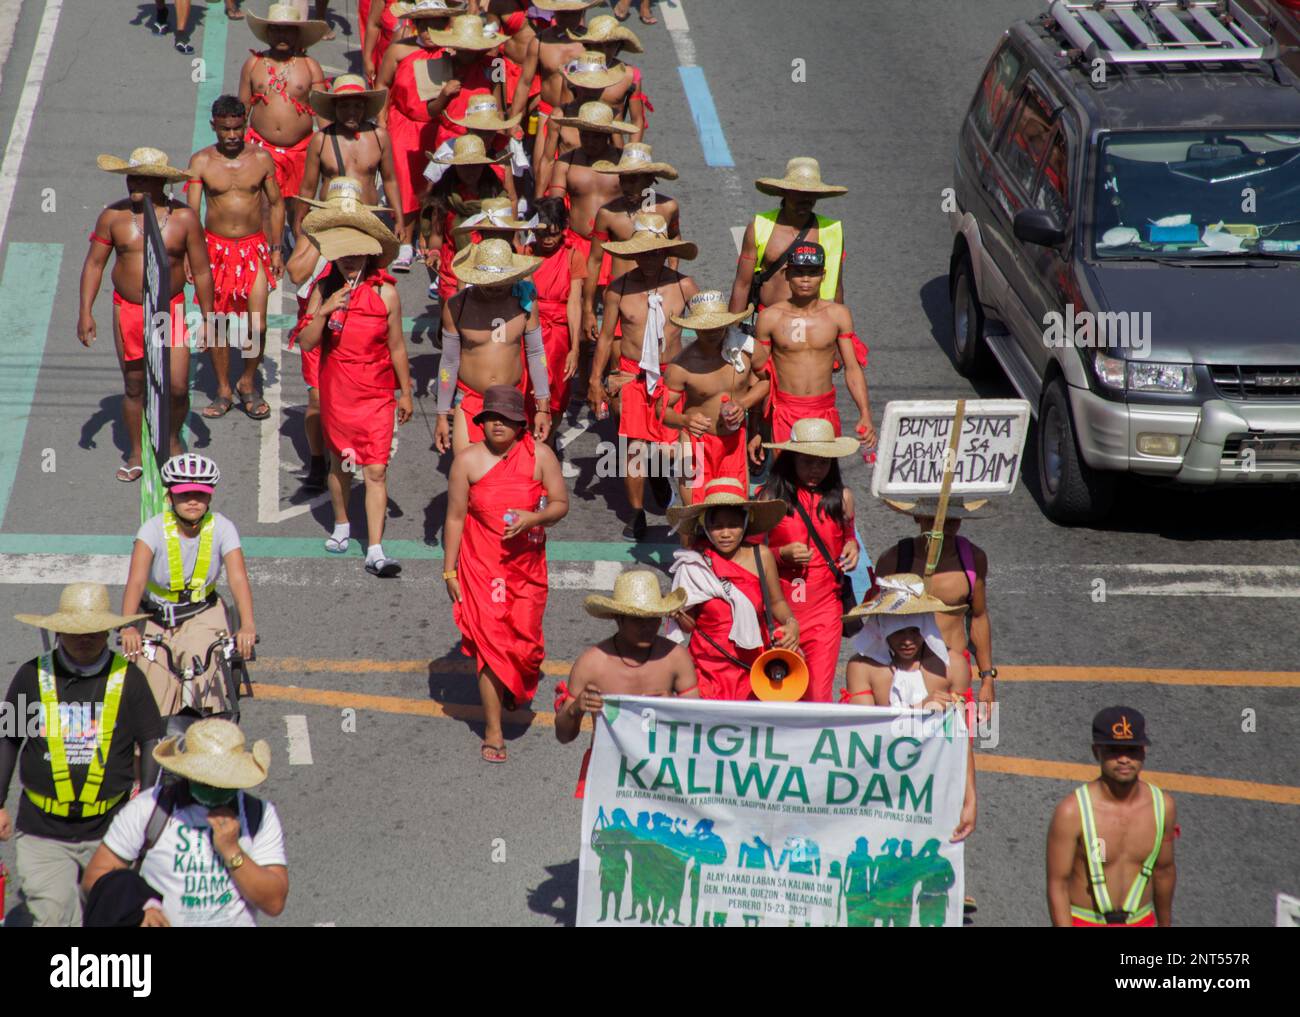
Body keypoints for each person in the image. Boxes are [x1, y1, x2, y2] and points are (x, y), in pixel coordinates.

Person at [0, 584, 162, 927]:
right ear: (59, 630)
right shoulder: (31, 676)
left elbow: (151, 741)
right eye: (76, 633)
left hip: (111, 832)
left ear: (107, 631)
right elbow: (8, 740)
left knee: (111, 919)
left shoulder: (130, 680)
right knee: (54, 914)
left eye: (93, 632)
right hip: (42, 829)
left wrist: (147, 806)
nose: (85, 639)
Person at [443, 385, 569, 762]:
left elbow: (561, 504)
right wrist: (449, 569)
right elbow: (454, 517)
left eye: (507, 419)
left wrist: (535, 516)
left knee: (527, 647)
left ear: (521, 423)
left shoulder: (541, 456)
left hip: (527, 566)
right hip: (482, 565)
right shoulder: (466, 461)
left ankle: (514, 680)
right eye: (491, 418)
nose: (498, 424)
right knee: (490, 644)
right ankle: (493, 730)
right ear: (481, 422)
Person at [293, 202, 413, 576]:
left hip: (377, 396)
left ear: (369, 253)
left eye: (355, 252)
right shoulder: (323, 288)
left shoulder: (386, 294)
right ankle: (342, 522)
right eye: (342, 252)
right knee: (342, 465)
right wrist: (325, 309)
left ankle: (375, 548)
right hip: (339, 392)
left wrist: (405, 392)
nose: (349, 259)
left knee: (376, 471)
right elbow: (308, 343)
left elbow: (396, 346)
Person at [79, 148, 214, 479]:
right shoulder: (113, 216)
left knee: (179, 387)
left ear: (161, 182)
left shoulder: (183, 219)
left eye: (142, 177)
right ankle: (136, 452)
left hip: (170, 310)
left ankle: (171, 439)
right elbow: (95, 264)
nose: (133, 183)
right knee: (135, 386)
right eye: (131, 176)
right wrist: (85, 312)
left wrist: (209, 320)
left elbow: (203, 270)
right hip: (129, 311)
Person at [83, 718, 288, 926]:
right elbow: (96, 877)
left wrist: (233, 851)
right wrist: (140, 908)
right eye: (207, 779)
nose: (215, 786)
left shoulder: (259, 814)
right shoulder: (149, 808)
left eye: (223, 780)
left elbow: (274, 902)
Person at [841, 574, 977, 845]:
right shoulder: (862, 668)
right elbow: (864, 734)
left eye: (914, 631)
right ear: (882, 630)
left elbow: (962, 740)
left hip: (932, 786)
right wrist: (919, 710)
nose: (907, 641)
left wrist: (970, 799)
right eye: (897, 632)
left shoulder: (954, 666)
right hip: (879, 785)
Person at [119, 454, 256, 720]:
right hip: (155, 616)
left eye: (200, 495)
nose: (193, 501)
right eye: (184, 495)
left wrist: (247, 625)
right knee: (149, 701)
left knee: (202, 677)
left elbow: (238, 579)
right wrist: (128, 626)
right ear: (170, 498)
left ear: (210, 497)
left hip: (202, 612)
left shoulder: (223, 528)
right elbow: (135, 581)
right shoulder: (151, 529)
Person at [588, 213, 698, 540]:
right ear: (632, 253)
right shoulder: (618, 290)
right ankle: (637, 514)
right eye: (643, 252)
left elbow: (709, 327)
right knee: (635, 448)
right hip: (633, 376)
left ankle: (686, 511)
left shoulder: (684, 285)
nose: (649, 260)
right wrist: (596, 381)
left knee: (681, 447)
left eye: (655, 252)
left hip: (672, 377)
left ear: (666, 252)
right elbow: (607, 337)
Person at [556, 570, 700, 795]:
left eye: (653, 619)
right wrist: (575, 709)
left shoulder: (675, 658)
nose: (647, 627)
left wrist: (673, 710)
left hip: (664, 772)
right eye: (637, 620)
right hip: (611, 771)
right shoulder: (591, 664)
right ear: (618, 619)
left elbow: (696, 726)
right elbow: (563, 736)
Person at [187, 95, 285, 421]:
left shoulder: (262, 160)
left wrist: (275, 249)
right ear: (214, 126)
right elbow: (191, 213)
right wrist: (192, 255)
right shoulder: (200, 162)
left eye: (237, 128)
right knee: (217, 324)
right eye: (225, 129)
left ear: (246, 124)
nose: (232, 136)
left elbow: (277, 204)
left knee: (257, 325)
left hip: (253, 248)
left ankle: (247, 382)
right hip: (214, 250)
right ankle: (224, 389)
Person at [286, 177, 383, 491]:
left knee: (349, 399)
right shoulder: (312, 236)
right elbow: (296, 274)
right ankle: (317, 460)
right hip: (317, 324)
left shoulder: (364, 239)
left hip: (354, 327)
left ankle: (347, 454)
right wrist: (325, 245)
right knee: (316, 400)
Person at [378, 6, 493, 269]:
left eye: (438, 25)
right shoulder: (399, 49)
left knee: (434, 186)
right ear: (416, 24)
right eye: (425, 25)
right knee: (406, 183)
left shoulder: (452, 53)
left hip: (441, 125)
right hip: (405, 124)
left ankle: (429, 238)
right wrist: (382, 118)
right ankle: (405, 239)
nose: (431, 32)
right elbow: (383, 83)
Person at [663, 478, 799, 700]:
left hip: (755, 666)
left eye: (733, 525)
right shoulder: (693, 563)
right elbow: (690, 627)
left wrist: (792, 624)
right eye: (717, 526)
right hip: (707, 669)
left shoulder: (761, 555)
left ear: (746, 523)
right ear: (705, 526)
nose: (725, 533)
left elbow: (777, 603)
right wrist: (678, 614)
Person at [760, 418, 861, 702]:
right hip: (780, 606)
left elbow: (848, 538)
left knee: (817, 693)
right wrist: (781, 555)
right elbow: (751, 555)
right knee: (777, 692)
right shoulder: (769, 497)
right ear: (791, 459)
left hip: (825, 609)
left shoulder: (843, 498)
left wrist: (852, 547)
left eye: (823, 462)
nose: (816, 470)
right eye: (807, 462)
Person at [1046, 707, 1176, 927]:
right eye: (1114, 750)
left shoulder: (1162, 806)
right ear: (1097, 752)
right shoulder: (1072, 812)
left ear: (1143, 752)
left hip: (1141, 921)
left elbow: (1164, 871)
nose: (1124, 759)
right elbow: (1057, 885)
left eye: (1132, 750)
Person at [873, 497, 995, 719]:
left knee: (960, 747)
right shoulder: (893, 560)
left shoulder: (973, 559)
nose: (941, 527)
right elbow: (876, 621)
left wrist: (987, 678)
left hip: (953, 672)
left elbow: (978, 616)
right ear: (917, 517)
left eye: (950, 520)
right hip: (905, 672)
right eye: (933, 519)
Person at [750, 242, 874, 450]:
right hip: (785, 411)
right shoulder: (769, 317)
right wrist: (755, 429)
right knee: (786, 479)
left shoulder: (838, 314)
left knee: (821, 476)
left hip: (823, 410)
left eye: (813, 272)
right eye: (799, 272)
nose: (806, 279)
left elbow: (852, 368)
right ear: (787, 275)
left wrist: (865, 414)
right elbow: (759, 374)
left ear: (823, 275)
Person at [435, 239, 552, 453]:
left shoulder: (525, 302)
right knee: (467, 469)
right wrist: (442, 413)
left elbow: (536, 353)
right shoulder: (456, 305)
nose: (495, 288)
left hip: (510, 401)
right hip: (470, 398)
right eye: (489, 282)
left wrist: (543, 407)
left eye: (501, 281)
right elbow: (449, 360)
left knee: (508, 476)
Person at [658, 291, 766, 504]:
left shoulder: (748, 350)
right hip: (695, 442)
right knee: (692, 512)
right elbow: (662, 410)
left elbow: (767, 381)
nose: (712, 332)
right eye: (705, 327)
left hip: (733, 442)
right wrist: (684, 420)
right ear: (695, 327)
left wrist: (743, 404)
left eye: (717, 325)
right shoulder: (681, 366)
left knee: (734, 508)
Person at [729, 156, 849, 324]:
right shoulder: (760, 226)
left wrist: (839, 333)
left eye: (811, 193)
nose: (805, 198)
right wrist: (731, 333)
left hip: (816, 327)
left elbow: (836, 288)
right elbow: (742, 284)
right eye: (799, 192)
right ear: (784, 192)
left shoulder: (832, 230)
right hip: (769, 326)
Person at [580, 143, 681, 342]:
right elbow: (594, 261)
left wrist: (672, 275)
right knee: (619, 365)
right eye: (623, 179)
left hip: (656, 294)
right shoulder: (607, 214)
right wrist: (588, 309)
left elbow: (675, 238)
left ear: (650, 179)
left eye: (633, 179)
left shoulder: (668, 208)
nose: (626, 186)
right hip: (620, 298)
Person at [238, 5, 328, 224]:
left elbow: (323, 114)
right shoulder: (253, 64)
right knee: (266, 207)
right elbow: (242, 111)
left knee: (298, 212)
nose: (282, 35)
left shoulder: (310, 66)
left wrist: (331, 152)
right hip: (262, 149)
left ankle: (292, 253)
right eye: (277, 30)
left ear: (297, 34)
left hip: (300, 151)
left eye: (288, 30)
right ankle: (270, 255)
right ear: (268, 33)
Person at [296, 75, 405, 241]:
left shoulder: (379, 137)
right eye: (344, 106)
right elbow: (308, 188)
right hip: (331, 221)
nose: (352, 112)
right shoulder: (321, 140)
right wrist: (299, 221)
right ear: (335, 107)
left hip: (367, 221)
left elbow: (390, 181)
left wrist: (399, 219)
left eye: (357, 106)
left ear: (365, 107)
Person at [422, 136, 514, 307]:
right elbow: (436, 235)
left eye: (475, 166)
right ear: (455, 166)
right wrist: (434, 252)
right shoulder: (443, 195)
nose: (470, 172)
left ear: (483, 165)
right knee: (452, 322)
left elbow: (507, 233)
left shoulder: (496, 194)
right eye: (465, 167)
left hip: (488, 266)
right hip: (453, 267)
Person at [525, 197, 586, 434]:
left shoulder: (573, 256)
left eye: (554, 233)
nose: (548, 240)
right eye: (541, 234)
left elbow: (574, 303)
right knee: (528, 392)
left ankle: (548, 442)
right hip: (530, 329)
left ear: (564, 228)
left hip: (559, 337)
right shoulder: (526, 253)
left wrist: (575, 348)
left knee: (558, 394)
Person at [543, 101, 634, 249]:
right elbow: (555, 207)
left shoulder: (624, 161)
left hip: (617, 247)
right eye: (585, 136)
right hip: (577, 246)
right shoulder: (565, 163)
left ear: (607, 134)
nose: (590, 142)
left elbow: (641, 200)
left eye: (596, 137)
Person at [537, 50, 632, 185]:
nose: (590, 91)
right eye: (585, 86)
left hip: (600, 186)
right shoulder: (560, 116)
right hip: (567, 187)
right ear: (575, 85)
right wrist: (539, 199)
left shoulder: (612, 116)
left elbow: (620, 159)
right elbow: (547, 160)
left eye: (596, 86)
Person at [533, 0, 598, 171]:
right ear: (555, 12)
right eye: (563, 12)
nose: (568, 18)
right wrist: (514, 119)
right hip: (547, 111)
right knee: (541, 165)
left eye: (573, 13)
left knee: (577, 168)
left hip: (580, 115)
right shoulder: (540, 40)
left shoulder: (592, 42)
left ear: (581, 13)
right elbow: (525, 82)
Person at [567, 15, 651, 139]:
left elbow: (637, 120)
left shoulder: (630, 76)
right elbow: (565, 113)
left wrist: (632, 152)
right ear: (588, 45)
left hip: (613, 146)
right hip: (580, 142)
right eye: (598, 45)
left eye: (610, 45)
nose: (604, 50)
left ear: (618, 46)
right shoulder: (574, 71)